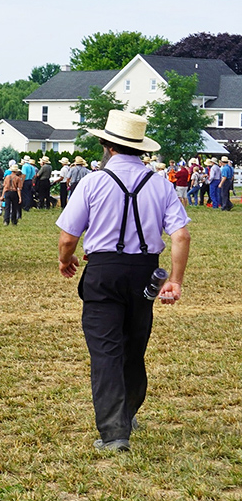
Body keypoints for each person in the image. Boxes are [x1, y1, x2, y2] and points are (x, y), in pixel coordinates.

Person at [57, 110, 190, 453]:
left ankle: (115, 432)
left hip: (103, 270)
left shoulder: (92, 182)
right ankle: (127, 412)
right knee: (134, 343)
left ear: (106, 145)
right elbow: (181, 236)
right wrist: (174, 280)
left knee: (105, 350)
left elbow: (68, 237)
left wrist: (66, 259)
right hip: (146, 272)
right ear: (140, 149)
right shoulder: (161, 184)